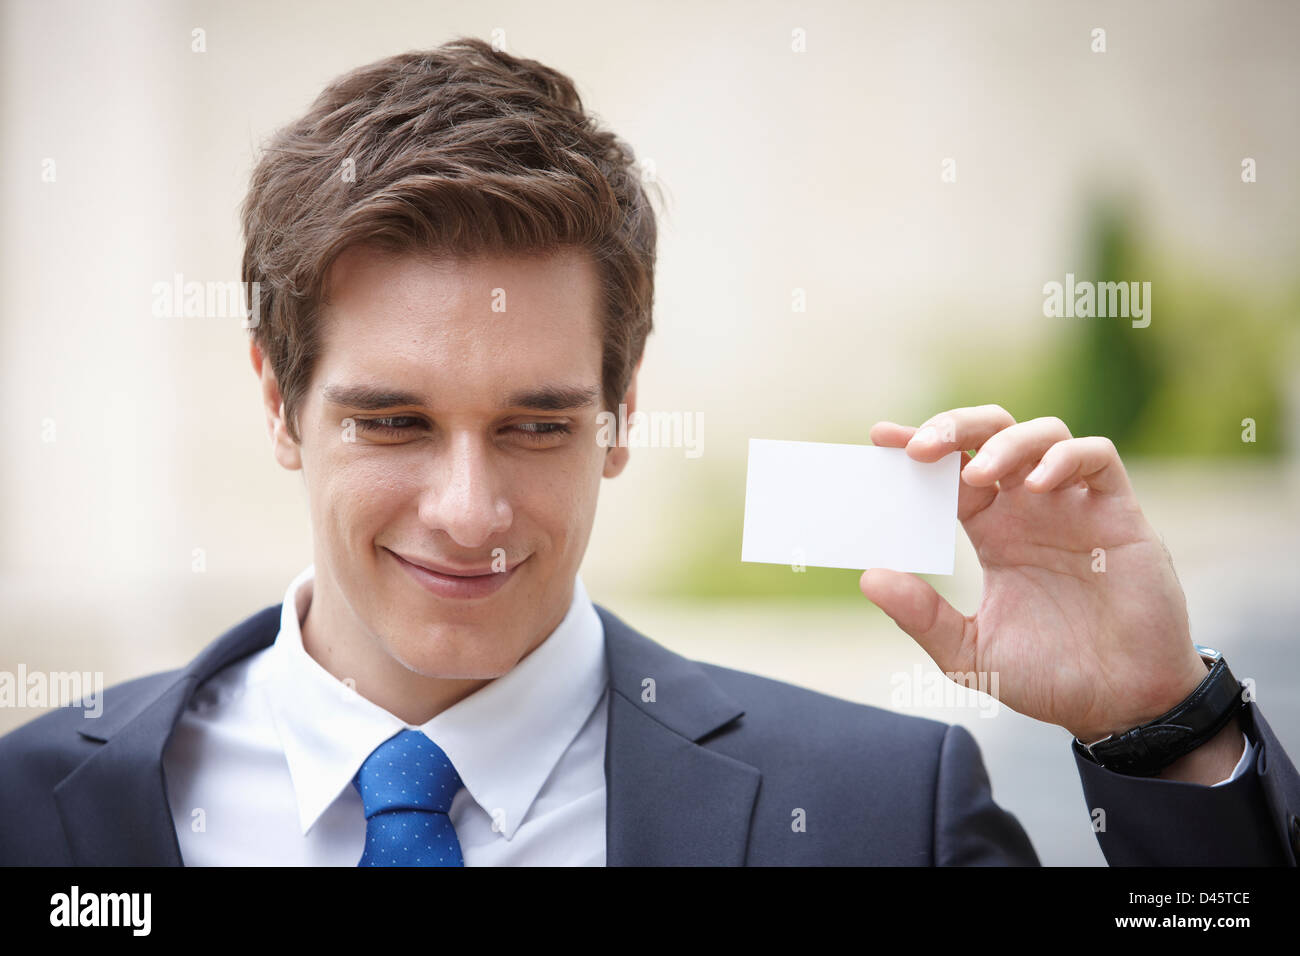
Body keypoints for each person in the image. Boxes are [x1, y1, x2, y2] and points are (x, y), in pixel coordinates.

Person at [1, 38, 1296, 866]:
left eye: (538, 424)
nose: (469, 509)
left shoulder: (878, 816)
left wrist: (1161, 729)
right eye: (393, 421)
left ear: (620, 417)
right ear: (278, 405)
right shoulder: (36, 809)